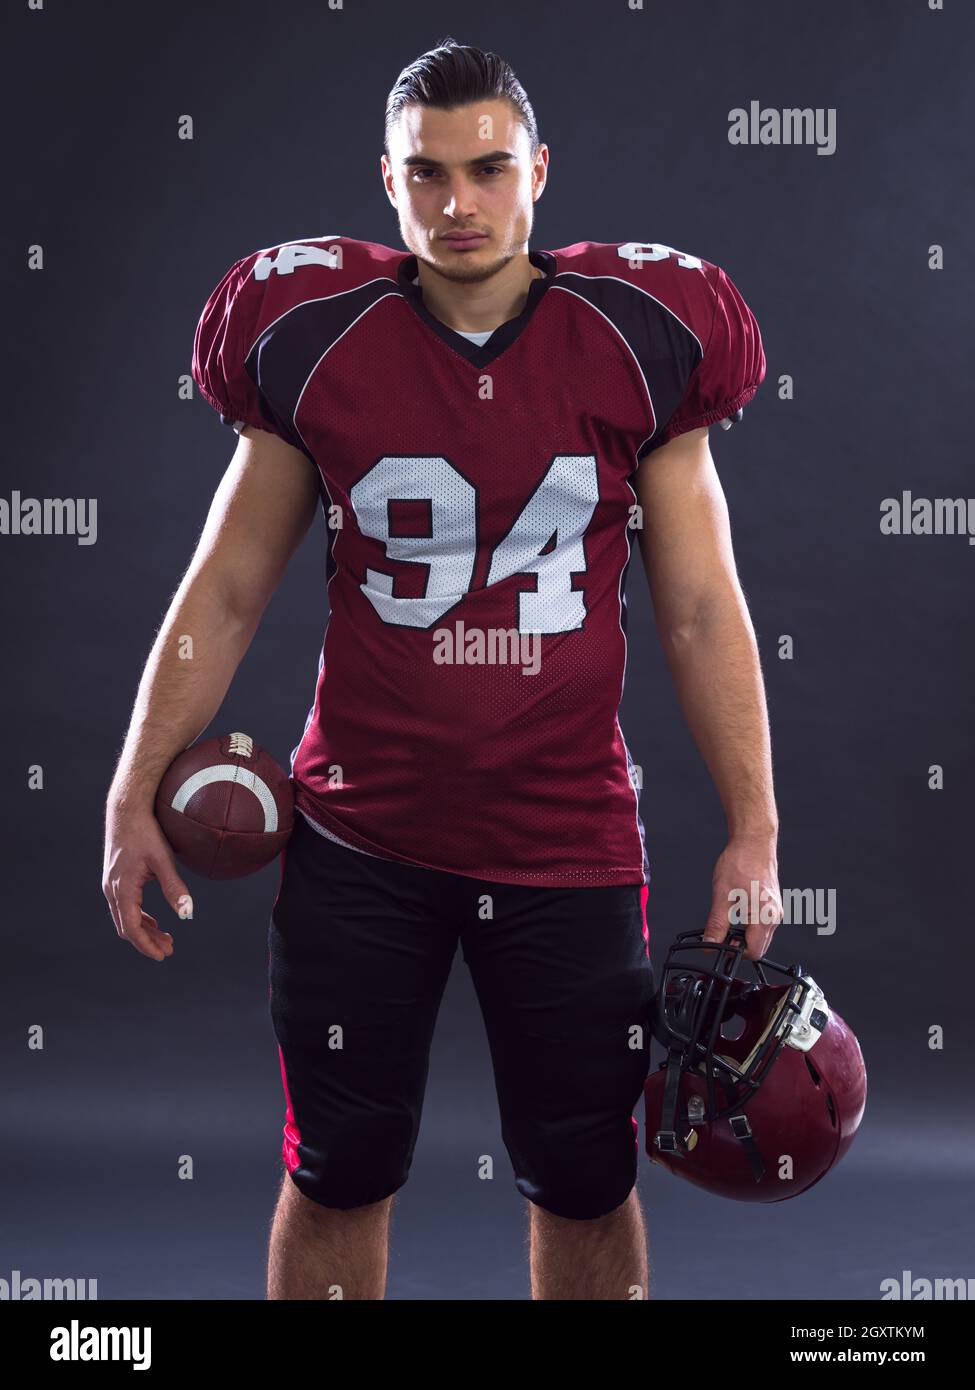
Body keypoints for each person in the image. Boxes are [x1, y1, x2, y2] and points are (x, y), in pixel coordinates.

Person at [101, 37, 783, 1300]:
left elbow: (698, 605)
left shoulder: (637, 332)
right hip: (362, 841)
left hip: (568, 839)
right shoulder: (315, 333)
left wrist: (755, 828)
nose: (458, 204)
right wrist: (130, 785)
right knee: (339, 1166)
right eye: (427, 174)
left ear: (538, 173)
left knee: (586, 1174)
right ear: (387, 181)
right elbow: (228, 585)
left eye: (486, 169)